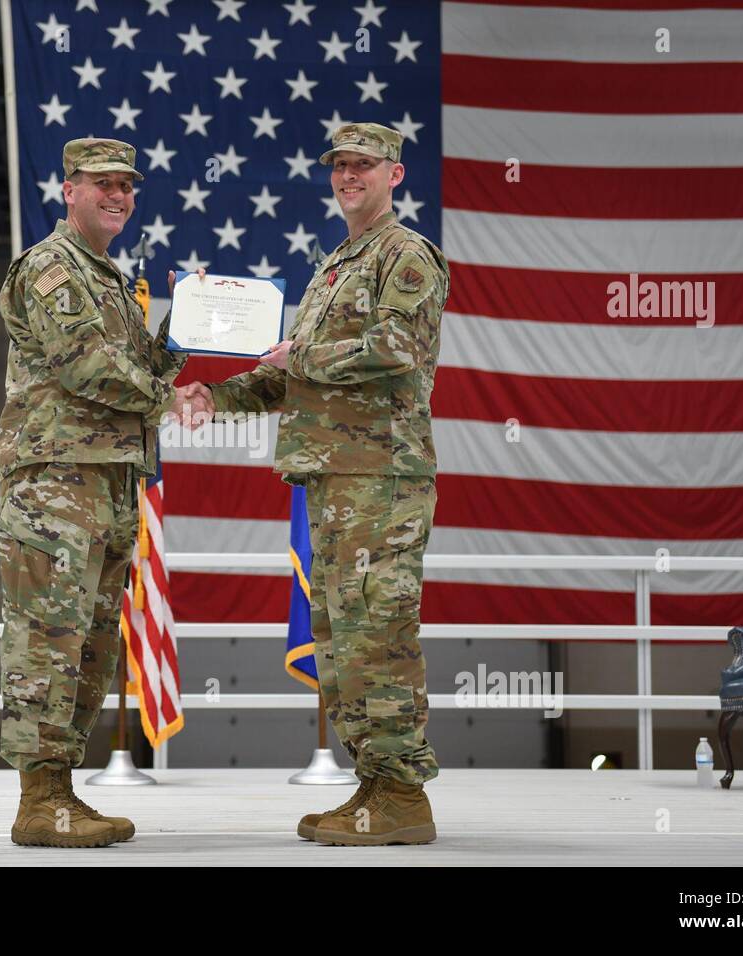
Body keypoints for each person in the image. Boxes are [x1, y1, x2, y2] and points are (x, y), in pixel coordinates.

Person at [185, 122, 450, 846]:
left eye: (363, 165)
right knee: (342, 640)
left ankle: (401, 794)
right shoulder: (334, 266)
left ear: (394, 175)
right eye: (339, 165)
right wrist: (217, 395)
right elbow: (288, 372)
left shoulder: (405, 256)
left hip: (380, 480)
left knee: (378, 634)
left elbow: (396, 350)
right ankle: (373, 784)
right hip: (334, 481)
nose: (348, 176)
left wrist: (301, 354)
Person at [0, 137, 210, 847]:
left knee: (90, 645)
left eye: (127, 186)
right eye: (101, 184)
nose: (117, 196)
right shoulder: (52, 267)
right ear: (69, 190)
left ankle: (60, 789)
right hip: (56, 483)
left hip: (108, 480)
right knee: (47, 641)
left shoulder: (110, 278)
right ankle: (38, 800)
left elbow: (133, 360)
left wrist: (191, 327)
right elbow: (86, 365)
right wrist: (168, 398)